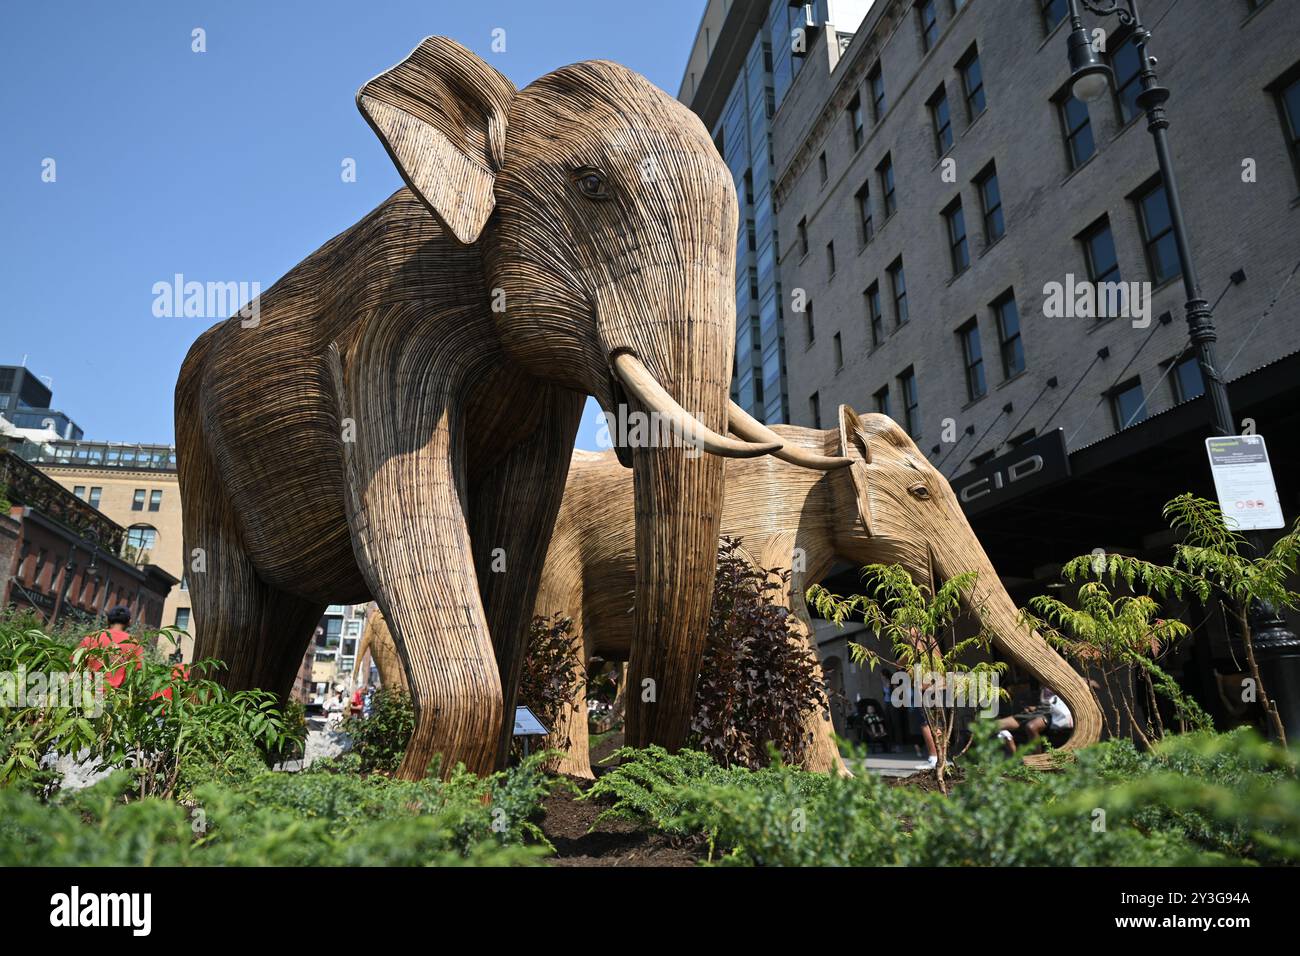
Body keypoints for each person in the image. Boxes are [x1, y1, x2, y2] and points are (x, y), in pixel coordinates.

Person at [77, 606, 144, 689]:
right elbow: (137, 672)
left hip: (88, 692)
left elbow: (76, 665)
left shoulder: (92, 637)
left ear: (107, 620)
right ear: (129, 622)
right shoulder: (134, 643)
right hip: (114, 696)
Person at [996, 685, 1073, 753]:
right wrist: (1035, 708)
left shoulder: (1067, 679)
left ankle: (1037, 758)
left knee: (1031, 727)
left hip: (1054, 711)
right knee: (998, 724)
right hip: (1042, 709)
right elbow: (1045, 701)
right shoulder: (1046, 682)